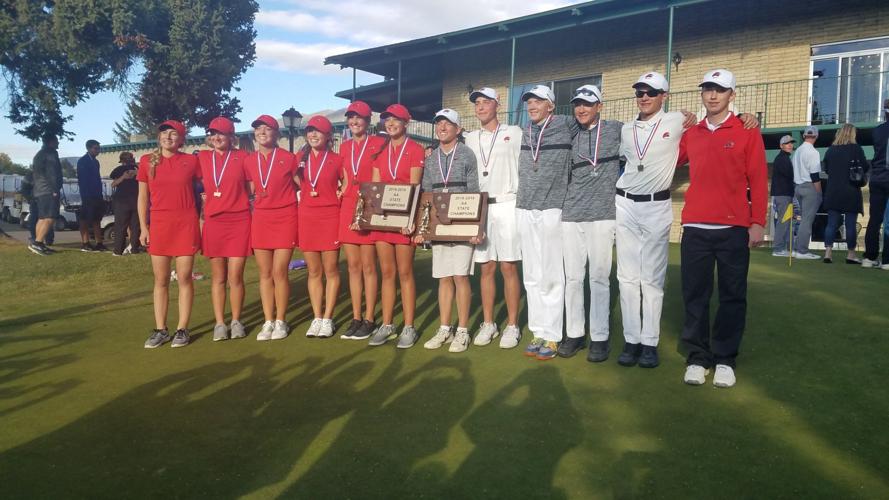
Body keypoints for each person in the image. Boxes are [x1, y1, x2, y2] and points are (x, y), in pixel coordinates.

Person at [677, 69, 767, 388]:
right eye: (707, 90)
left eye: (720, 90)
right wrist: (676, 123)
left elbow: (757, 177)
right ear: (702, 94)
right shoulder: (692, 132)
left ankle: (725, 358)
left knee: (732, 295)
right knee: (695, 295)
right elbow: (668, 160)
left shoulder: (746, 129)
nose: (713, 96)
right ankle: (698, 358)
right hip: (696, 226)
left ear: (732, 94)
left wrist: (758, 222)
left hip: (733, 227)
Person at [559, 85, 623, 361]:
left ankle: (599, 336)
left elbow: (650, 131)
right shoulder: (570, 133)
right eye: (577, 104)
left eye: (587, 104)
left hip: (603, 214)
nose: (581, 109)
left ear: (599, 106)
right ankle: (574, 333)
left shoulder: (616, 129)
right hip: (572, 214)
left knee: (599, 278)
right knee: (573, 278)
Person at [516, 85, 576, 361]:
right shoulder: (524, 131)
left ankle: (552, 335)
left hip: (553, 207)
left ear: (551, 105)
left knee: (551, 274)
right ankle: (537, 329)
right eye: (529, 101)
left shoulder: (566, 124)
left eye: (538, 101)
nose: (532, 105)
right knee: (531, 274)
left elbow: (596, 121)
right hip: (525, 207)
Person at [416, 109, 480, 353]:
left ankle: (462, 330)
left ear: (458, 129)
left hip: (462, 222)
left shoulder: (466, 154)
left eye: (448, 123)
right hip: (439, 223)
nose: (442, 127)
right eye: (439, 123)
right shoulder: (430, 159)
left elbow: (474, 193)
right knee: (443, 277)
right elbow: (426, 195)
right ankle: (445, 327)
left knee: (460, 276)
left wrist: (475, 227)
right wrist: (423, 228)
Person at [463, 87, 523, 349]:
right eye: (477, 103)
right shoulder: (469, 138)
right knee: (486, 268)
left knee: (508, 267)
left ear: (497, 105)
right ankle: (488, 323)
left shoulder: (514, 133)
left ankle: (512, 325)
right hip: (481, 207)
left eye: (486, 102)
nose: (480, 107)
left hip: (508, 203)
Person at [139, 120, 202, 348]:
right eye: (164, 133)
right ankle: (161, 329)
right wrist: (143, 228)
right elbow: (142, 198)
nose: (168, 137)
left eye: (174, 134)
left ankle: (182, 329)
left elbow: (212, 183)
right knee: (161, 280)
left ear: (182, 139)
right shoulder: (147, 161)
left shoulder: (191, 161)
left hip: (186, 225)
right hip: (159, 225)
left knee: (184, 278)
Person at [367, 104, 425, 348]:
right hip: (384, 221)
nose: (390, 124)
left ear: (405, 123)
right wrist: (376, 217)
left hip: (404, 222)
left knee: (404, 273)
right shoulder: (380, 150)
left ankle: (409, 327)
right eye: (387, 120)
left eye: (395, 120)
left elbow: (415, 187)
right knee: (387, 273)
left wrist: (410, 220)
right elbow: (377, 188)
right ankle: (388, 323)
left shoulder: (415, 149)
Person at [244, 114, 299, 341]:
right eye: (258, 129)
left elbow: (305, 185)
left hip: (285, 217)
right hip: (262, 219)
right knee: (265, 273)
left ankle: (281, 321)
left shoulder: (289, 157)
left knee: (279, 272)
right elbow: (250, 189)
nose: (262, 132)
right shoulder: (249, 160)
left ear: (276, 133)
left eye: (267, 129)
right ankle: (268, 321)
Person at [198, 116, 251, 342]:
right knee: (218, 277)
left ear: (231, 137)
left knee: (235, 276)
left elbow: (255, 183)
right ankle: (220, 323)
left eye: (222, 133)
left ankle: (236, 320)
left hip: (239, 220)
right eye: (213, 134)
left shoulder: (243, 157)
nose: (217, 137)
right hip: (214, 222)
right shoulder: (201, 157)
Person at [338, 101, 384, 341]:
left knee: (368, 266)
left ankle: (369, 318)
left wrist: (368, 208)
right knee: (353, 267)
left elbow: (378, 178)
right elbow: (345, 178)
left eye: (359, 118)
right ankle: (356, 317)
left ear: (368, 121)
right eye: (351, 117)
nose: (355, 121)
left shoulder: (378, 143)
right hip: (348, 206)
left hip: (367, 205)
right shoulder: (344, 147)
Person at [297, 115, 344, 338]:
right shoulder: (300, 157)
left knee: (331, 269)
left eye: (318, 131)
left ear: (327, 136)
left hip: (330, 216)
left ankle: (328, 318)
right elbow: (295, 178)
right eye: (310, 131)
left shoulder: (337, 158)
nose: (313, 135)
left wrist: (340, 191)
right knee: (314, 271)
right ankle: (316, 317)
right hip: (307, 216)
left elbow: (348, 182)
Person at [821, 124, 869, 264]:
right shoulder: (856, 149)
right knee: (850, 224)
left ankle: (828, 253)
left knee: (831, 224)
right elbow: (865, 167)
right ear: (852, 134)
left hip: (833, 191)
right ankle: (851, 254)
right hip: (851, 191)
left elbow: (827, 169)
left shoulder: (830, 150)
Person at [862, 99, 889, 268]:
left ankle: (869, 258)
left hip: (877, 178)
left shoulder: (877, 131)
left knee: (875, 219)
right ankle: (887, 260)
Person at [790, 125, 822, 260]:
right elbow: (815, 175)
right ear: (816, 136)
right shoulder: (813, 152)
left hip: (797, 186)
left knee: (803, 219)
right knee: (807, 220)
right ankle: (801, 250)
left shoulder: (797, 152)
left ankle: (798, 248)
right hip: (809, 187)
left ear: (804, 136)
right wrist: (819, 192)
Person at [28, 133, 62, 256]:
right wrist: (54, 189)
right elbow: (51, 173)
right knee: (50, 217)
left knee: (42, 217)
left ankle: (39, 244)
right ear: (51, 142)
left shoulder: (39, 154)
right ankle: (37, 242)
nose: (58, 143)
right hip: (48, 190)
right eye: (56, 140)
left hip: (39, 190)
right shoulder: (50, 154)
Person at [109, 152, 142, 255]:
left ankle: (118, 250)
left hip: (122, 201)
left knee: (120, 226)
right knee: (135, 226)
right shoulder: (138, 170)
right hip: (136, 200)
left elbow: (113, 184)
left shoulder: (118, 170)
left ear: (122, 161)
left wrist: (123, 177)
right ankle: (134, 249)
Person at [77, 139, 107, 252]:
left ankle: (99, 243)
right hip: (87, 195)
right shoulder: (83, 161)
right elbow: (83, 180)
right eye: (95, 148)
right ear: (89, 149)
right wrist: (86, 195)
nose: (98, 151)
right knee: (85, 218)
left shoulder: (96, 162)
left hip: (97, 194)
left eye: (99, 148)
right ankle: (85, 243)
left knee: (96, 219)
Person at [771, 135, 795, 257]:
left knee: (785, 220)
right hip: (783, 194)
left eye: (791, 143)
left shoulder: (784, 158)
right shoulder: (782, 159)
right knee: (783, 221)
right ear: (781, 146)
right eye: (787, 143)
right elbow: (791, 176)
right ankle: (778, 248)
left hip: (784, 194)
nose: (790, 145)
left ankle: (782, 248)